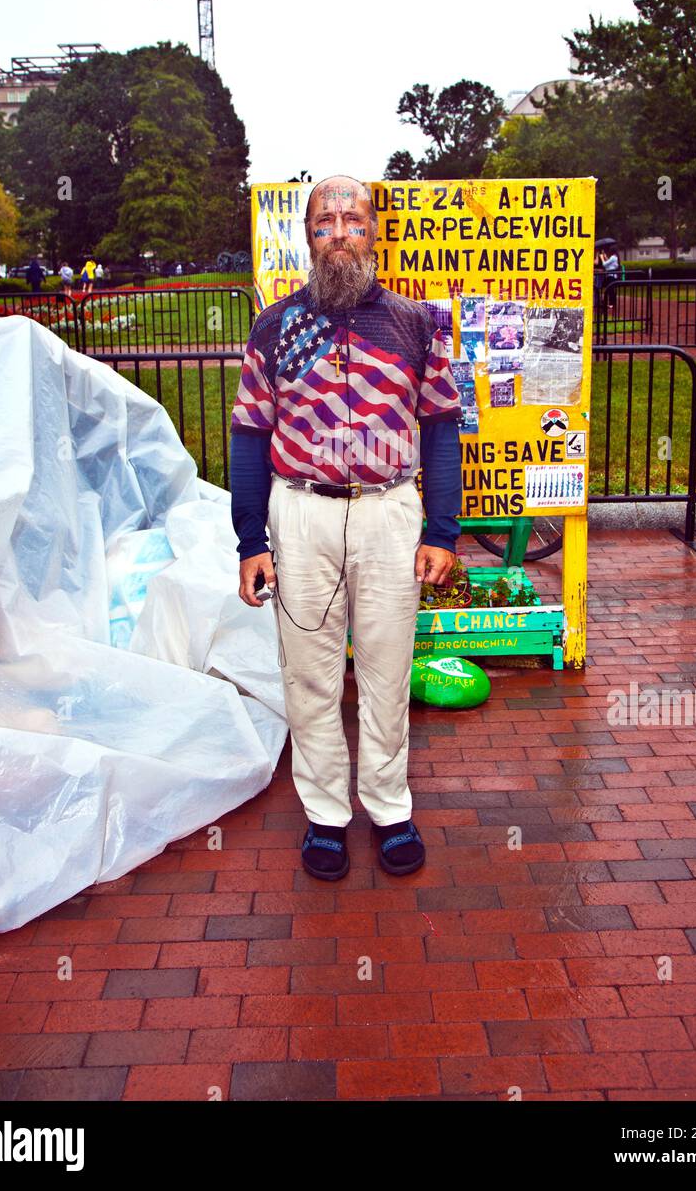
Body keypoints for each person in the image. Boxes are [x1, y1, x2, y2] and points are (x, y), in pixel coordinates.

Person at [229, 174, 463, 882]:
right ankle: (326, 815)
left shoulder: (415, 324)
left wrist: (443, 532)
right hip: (300, 513)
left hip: (390, 512)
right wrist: (250, 541)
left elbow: (442, 426)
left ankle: (389, 807)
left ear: (374, 232)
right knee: (310, 674)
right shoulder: (275, 327)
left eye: (353, 220)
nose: (339, 234)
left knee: (389, 669)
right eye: (324, 223)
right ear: (307, 237)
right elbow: (247, 435)